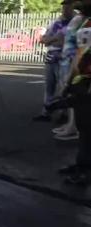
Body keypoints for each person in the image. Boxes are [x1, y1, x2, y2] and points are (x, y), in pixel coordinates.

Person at [55, 0, 91, 185]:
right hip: (81, 80)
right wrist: (70, 81)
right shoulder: (85, 21)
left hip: (87, 82)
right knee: (84, 129)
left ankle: (85, 171)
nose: (77, 3)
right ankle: (81, 165)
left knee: (88, 130)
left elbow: (84, 54)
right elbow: (80, 53)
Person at [33, 1, 74, 122]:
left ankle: (64, 114)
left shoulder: (75, 22)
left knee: (64, 87)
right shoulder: (56, 21)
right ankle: (46, 112)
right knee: (49, 86)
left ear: (73, 7)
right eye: (63, 7)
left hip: (65, 59)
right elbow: (44, 39)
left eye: (68, 7)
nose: (65, 9)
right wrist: (53, 39)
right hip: (51, 57)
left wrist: (52, 40)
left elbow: (65, 42)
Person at [53, 0, 80, 140]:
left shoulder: (82, 18)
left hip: (73, 60)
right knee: (68, 94)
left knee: (72, 94)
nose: (65, 7)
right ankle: (70, 124)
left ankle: (73, 127)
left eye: (68, 4)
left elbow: (80, 43)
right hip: (67, 59)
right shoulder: (76, 19)